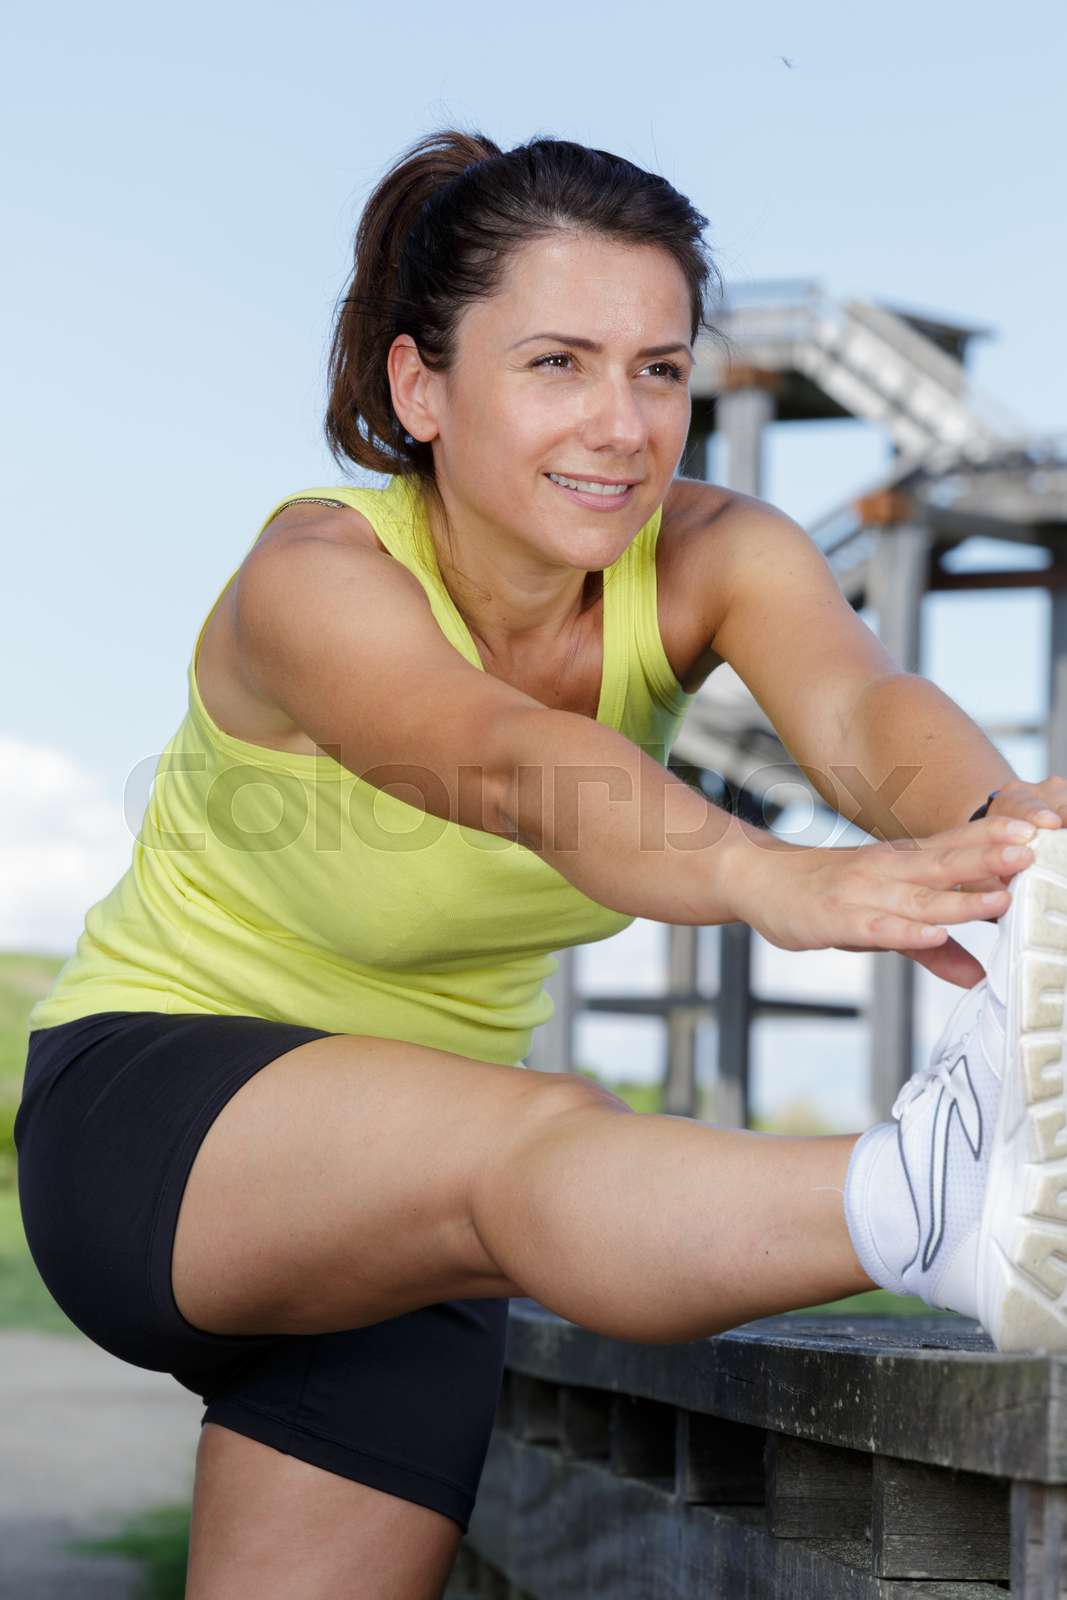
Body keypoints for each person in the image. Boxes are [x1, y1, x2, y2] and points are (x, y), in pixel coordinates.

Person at [13, 127, 1067, 1600]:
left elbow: (861, 708)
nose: (624, 423)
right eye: (558, 364)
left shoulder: (719, 553)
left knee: (522, 1151)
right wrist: (780, 880)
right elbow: (516, 765)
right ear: (419, 387)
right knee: (537, 1131)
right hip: (165, 1121)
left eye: (658, 368)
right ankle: (931, 1198)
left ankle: (950, 1178)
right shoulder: (313, 582)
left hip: (423, 1248)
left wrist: (1012, 841)